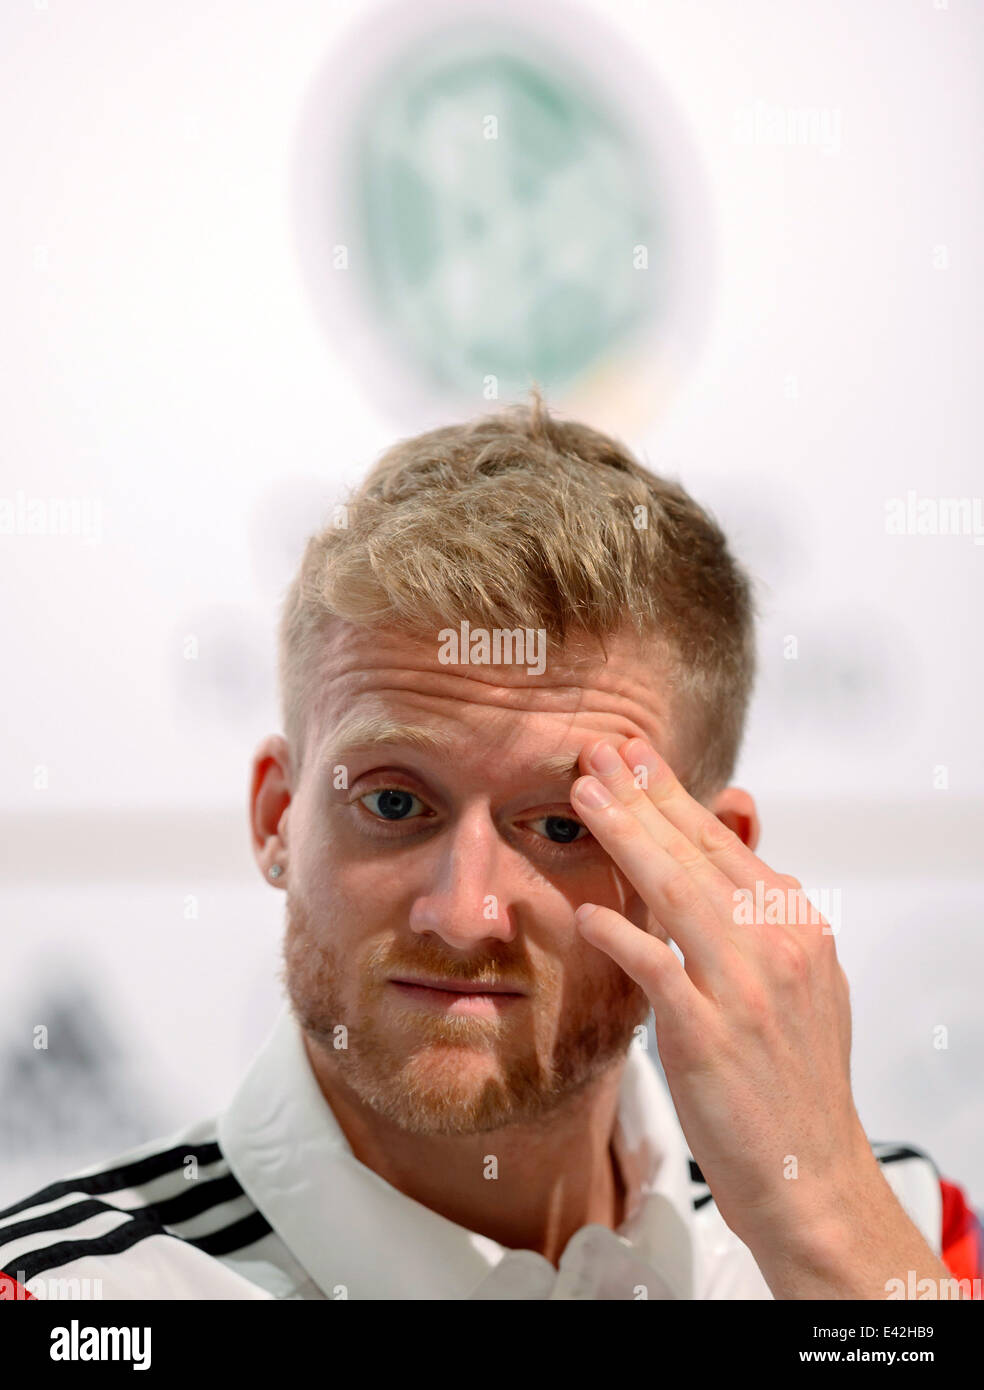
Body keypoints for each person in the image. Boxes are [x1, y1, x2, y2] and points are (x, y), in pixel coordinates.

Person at [2, 393, 981, 1300]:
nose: (465, 912)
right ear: (277, 820)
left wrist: (830, 1234)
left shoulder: (907, 1235)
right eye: (392, 803)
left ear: (712, 871)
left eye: (562, 826)